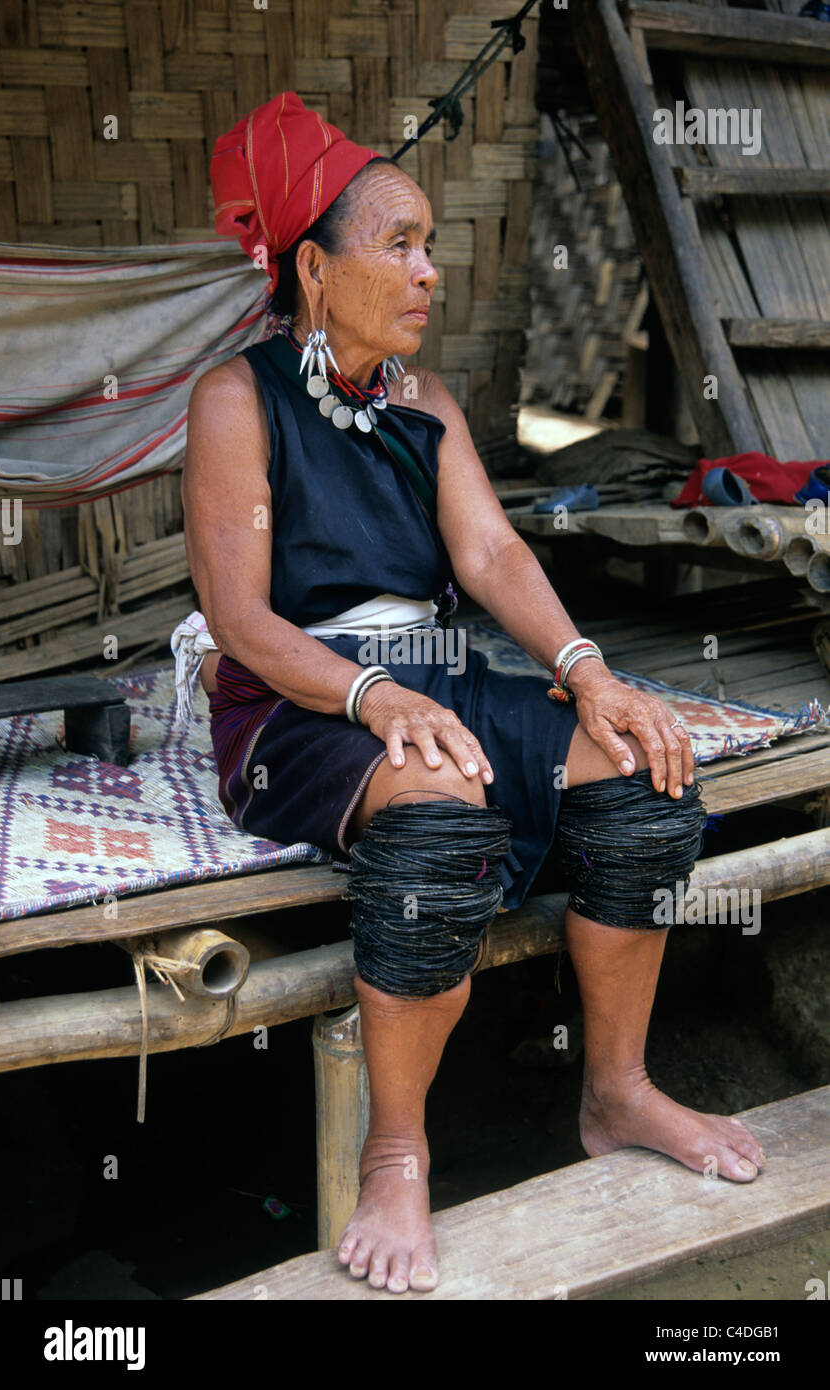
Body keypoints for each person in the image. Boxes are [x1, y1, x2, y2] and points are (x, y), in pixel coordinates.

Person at [181, 92, 765, 1296]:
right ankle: (396, 1149)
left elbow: (493, 558)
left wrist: (587, 673)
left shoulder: (425, 404)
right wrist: (370, 701)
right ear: (311, 266)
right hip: (297, 703)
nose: (426, 271)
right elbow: (239, 620)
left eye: (429, 243)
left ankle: (613, 1089)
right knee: (442, 817)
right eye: (397, 243)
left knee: (647, 776)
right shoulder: (238, 401)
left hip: (438, 680)